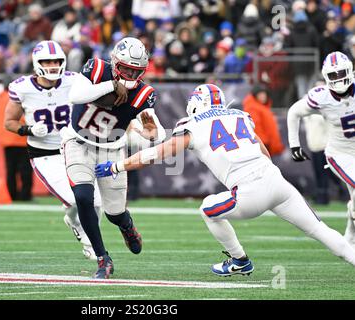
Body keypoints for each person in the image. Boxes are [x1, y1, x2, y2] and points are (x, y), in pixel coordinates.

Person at [96, 83, 355, 276]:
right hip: (278, 183)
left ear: (196, 103)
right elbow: (262, 150)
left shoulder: (193, 123)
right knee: (321, 231)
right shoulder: (241, 116)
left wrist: (118, 166)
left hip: (249, 192)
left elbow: (157, 154)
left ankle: (239, 260)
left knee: (208, 209)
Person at [62, 37, 166, 279]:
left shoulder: (143, 93)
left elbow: (157, 131)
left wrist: (153, 133)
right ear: (115, 62)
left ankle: (126, 226)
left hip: (111, 150)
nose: (129, 75)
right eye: (126, 68)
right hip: (78, 142)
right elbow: (76, 95)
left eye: (135, 71)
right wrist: (110, 85)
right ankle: (103, 259)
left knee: (114, 213)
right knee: (83, 197)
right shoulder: (96, 68)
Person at [4, 40, 102, 260]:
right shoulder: (22, 88)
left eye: (56, 61)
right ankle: (86, 237)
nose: (52, 65)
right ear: (36, 63)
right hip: (45, 154)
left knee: (95, 201)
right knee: (76, 199)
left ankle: (80, 226)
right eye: (47, 61)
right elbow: (9, 122)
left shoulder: (74, 81)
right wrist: (28, 129)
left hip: (76, 148)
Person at [287, 51, 355, 246]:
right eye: (333, 75)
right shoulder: (321, 96)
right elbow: (294, 112)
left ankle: (350, 233)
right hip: (340, 154)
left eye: (341, 73)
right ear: (326, 77)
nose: (339, 78)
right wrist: (294, 145)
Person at [0, 78, 33, 201]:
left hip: (6, 141)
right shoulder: (16, 99)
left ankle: (11, 194)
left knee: (11, 171)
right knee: (25, 170)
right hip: (21, 139)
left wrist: (2, 136)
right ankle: (25, 195)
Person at [242, 84, 285, 157]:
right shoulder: (252, 108)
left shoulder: (263, 107)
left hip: (266, 145)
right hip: (262, 145)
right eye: (260, 94)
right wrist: (263, 143)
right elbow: (255, 127)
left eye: (264, 93)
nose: (263, 96)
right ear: (255, 96)